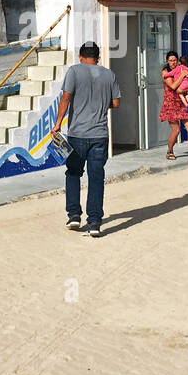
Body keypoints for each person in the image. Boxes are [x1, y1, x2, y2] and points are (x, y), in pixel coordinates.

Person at [52, 41, 120, 238]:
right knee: (96, 177)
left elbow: (65, 97)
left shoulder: (74, 71)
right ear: (98, 58)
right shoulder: (109, 74)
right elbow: (116, 103)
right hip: (100, 135)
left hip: (77, 134)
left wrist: (57, 124)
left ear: (81, 56)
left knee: (73, 173)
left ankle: (74, 215)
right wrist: (98, 103)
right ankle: (95, 223)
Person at [160, 51, 188, 166]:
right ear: (167, 61)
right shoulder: (165, 72)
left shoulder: (182, 69)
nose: (173, 63)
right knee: (176, 130)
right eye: (170, 60)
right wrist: (182, 76)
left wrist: (184, 85)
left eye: (174, 60)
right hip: (171, 103)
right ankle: (170, 150)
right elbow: (173, 86)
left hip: (183, 103)